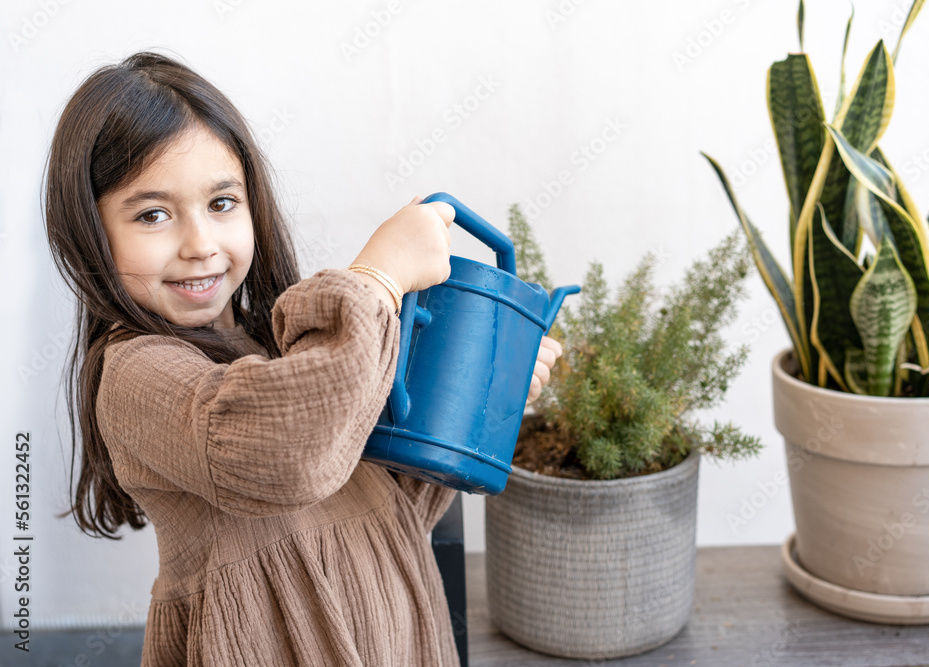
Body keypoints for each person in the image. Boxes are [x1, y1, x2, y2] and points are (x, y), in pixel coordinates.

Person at [44, 51, 562, 667]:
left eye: (221, 204)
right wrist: (376, 279)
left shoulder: (289, 342)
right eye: (153, 214)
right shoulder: (137, 374)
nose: (201, 245)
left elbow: (388, 510)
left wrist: (484, 403)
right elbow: (289, 457)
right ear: (88, 234)